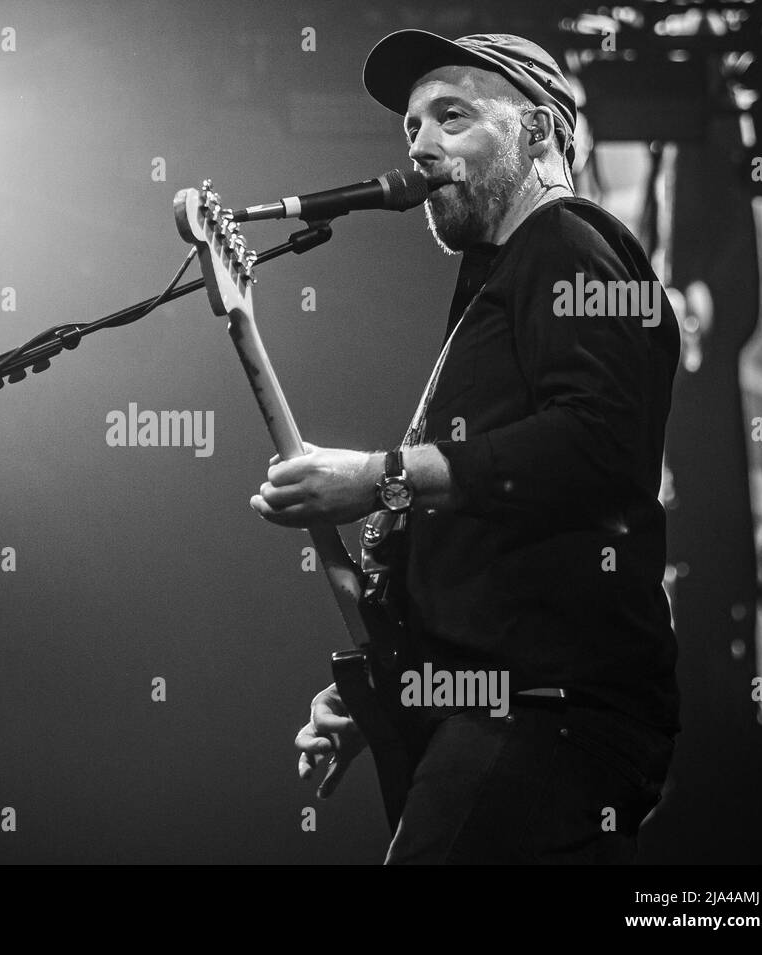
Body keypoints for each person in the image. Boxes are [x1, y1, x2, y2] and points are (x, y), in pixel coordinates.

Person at [248, 31, 681, 863]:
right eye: (411, 126)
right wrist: (395, 692)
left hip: (550, 715)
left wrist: (382, 478)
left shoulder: (571, 239)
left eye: (453, 116)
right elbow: (498, 553)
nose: (420, 144)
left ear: (540, 132)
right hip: (504, 707)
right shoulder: (498, 280)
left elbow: (598, 444)